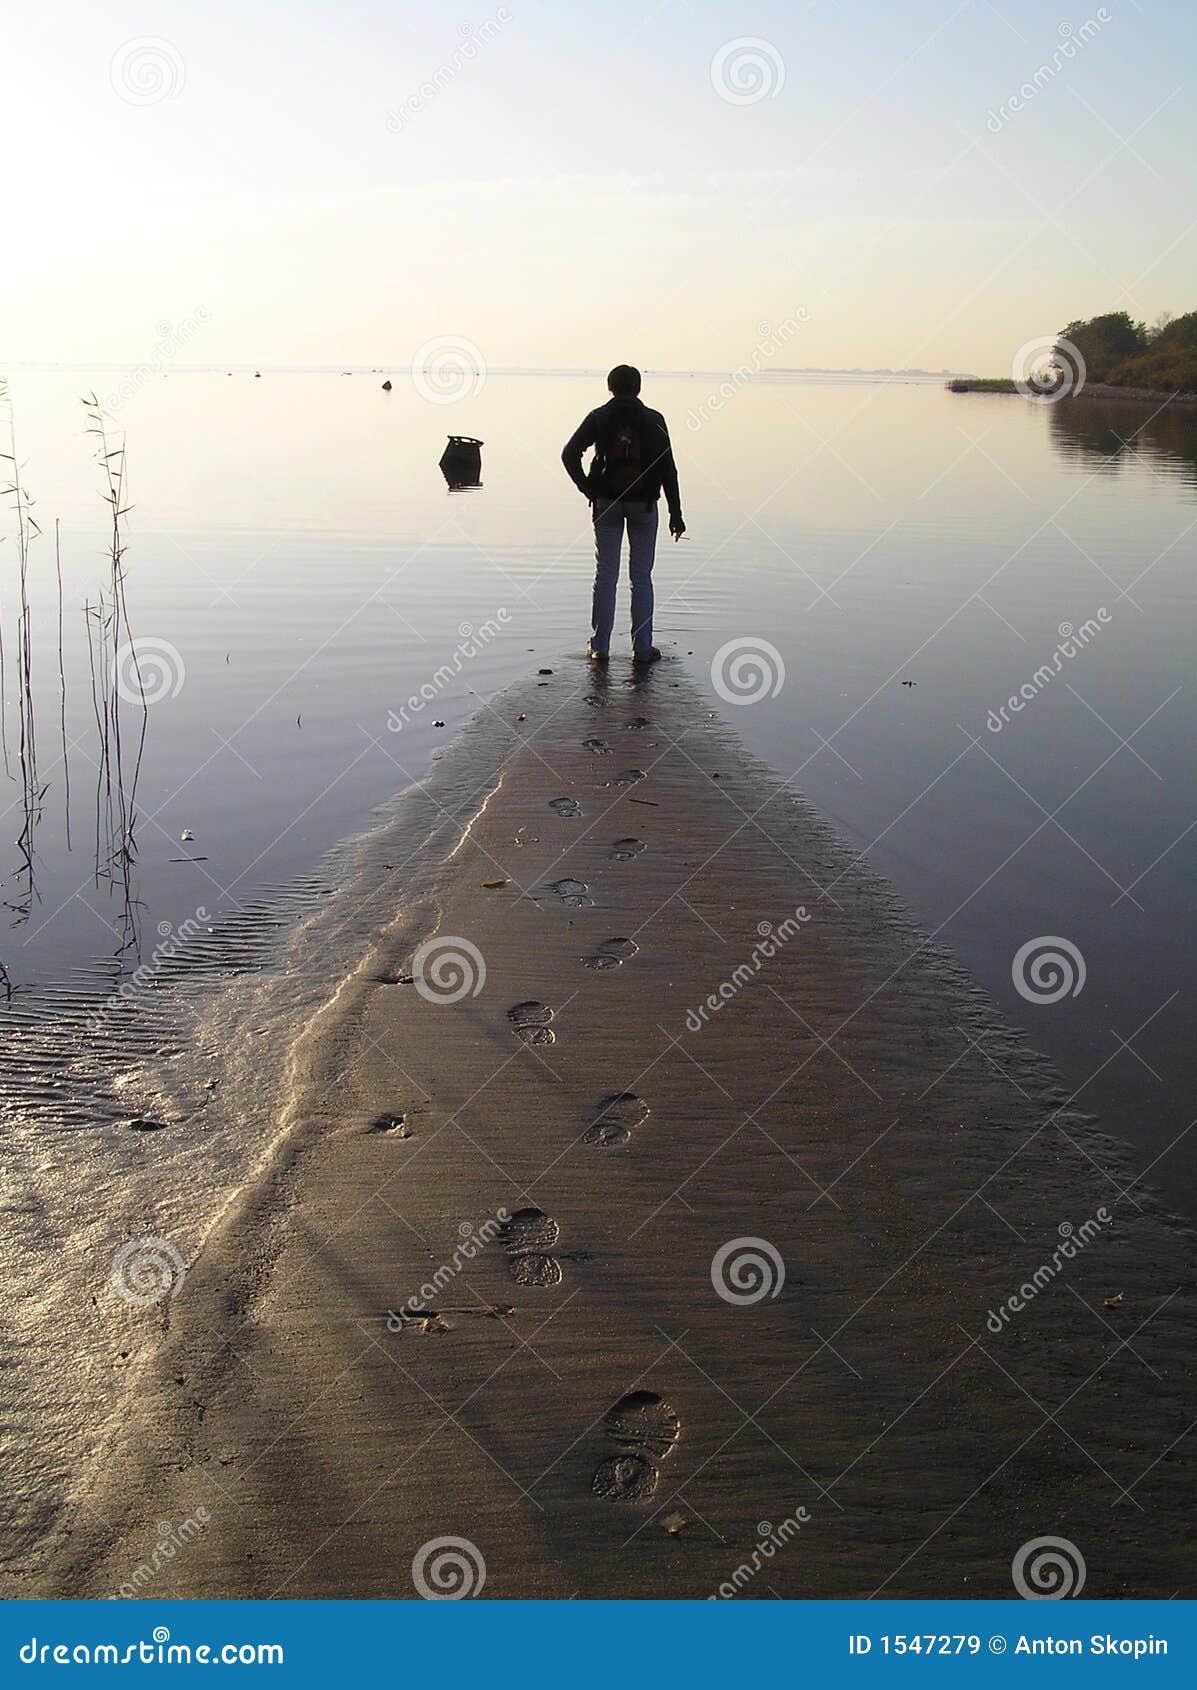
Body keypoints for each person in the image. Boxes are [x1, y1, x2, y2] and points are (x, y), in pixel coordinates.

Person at [561, 364, 685, 664]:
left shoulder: (599, 416)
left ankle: (599, 647)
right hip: (644, 505)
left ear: (610, 388)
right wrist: (676, 513)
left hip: (607, 502)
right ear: (639, 388)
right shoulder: (654, 419)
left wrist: (588, 488)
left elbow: (569, 454)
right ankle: (642, 649)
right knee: (641, 577)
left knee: (605, 574)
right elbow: (668, 468)